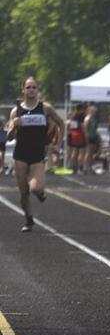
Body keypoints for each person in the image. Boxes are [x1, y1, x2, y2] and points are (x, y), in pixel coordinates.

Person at [5, 76, 65, 231]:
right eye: (28, 87)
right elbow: (9, 137)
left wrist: (58, 144)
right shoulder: (16, 111)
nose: (31, 90)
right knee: (24, 192)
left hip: (37, 154)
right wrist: (14, 126)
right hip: (20, 154)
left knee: (35, 189)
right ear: (23, 89)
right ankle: (29, 220)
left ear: (38, 90)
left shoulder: (45, 108)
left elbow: (61, 123)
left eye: (34, 87)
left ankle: (40, 193)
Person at [66, 103, 87, 173]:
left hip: (73, 134)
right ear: (81, 109)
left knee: (74, 151)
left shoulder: (73, 115)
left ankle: (72, 166)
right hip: (80, 134)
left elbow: (71, 126)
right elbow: (82, 126)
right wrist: (85, 135)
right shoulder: (81, 115)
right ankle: (80, 168)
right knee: (81, 152)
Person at [82, 104, 100, 174]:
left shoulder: (93, 119)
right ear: (90, 111)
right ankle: (85, 167)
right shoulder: (87, 118)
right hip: (89, 137)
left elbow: (94, 128)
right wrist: (86, 137)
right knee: (88, 152)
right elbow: (85, 128)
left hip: (93, 136)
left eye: (95, 111)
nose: (94, 112)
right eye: (93, 111)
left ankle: (90, 167)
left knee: (92, 153)